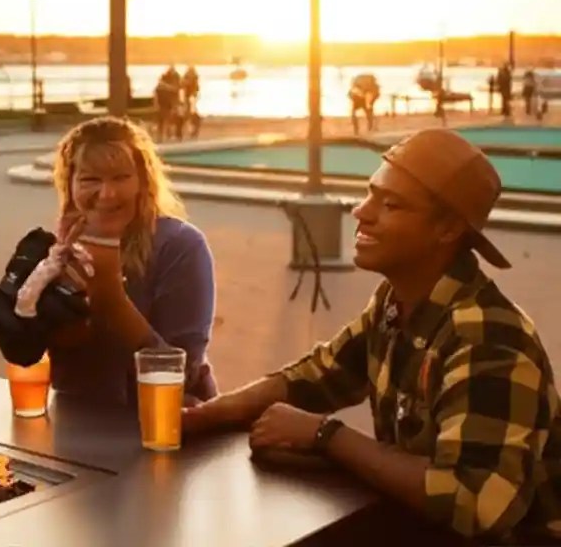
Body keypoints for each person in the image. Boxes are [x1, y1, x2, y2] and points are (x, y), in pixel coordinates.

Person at [182, 129, 561, 543]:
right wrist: (210, 414)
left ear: (448, 229)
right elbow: (320, 373)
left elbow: (473, 502)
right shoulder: (395, 304)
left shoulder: (491, 339)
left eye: (390, 204)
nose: (361, 212)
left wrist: (326, 436)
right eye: (369, 193)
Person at [0, 116, 218, 406]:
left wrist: (111, 300)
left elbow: (186, 378)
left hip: (170, 426)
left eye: (121, 177)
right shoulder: (56, 252)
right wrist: (23, 319)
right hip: (77, 425)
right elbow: (39, 360)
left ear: (144, 181)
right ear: (69, 184)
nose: (107, 194)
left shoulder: (179, 246)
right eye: (90, 179)